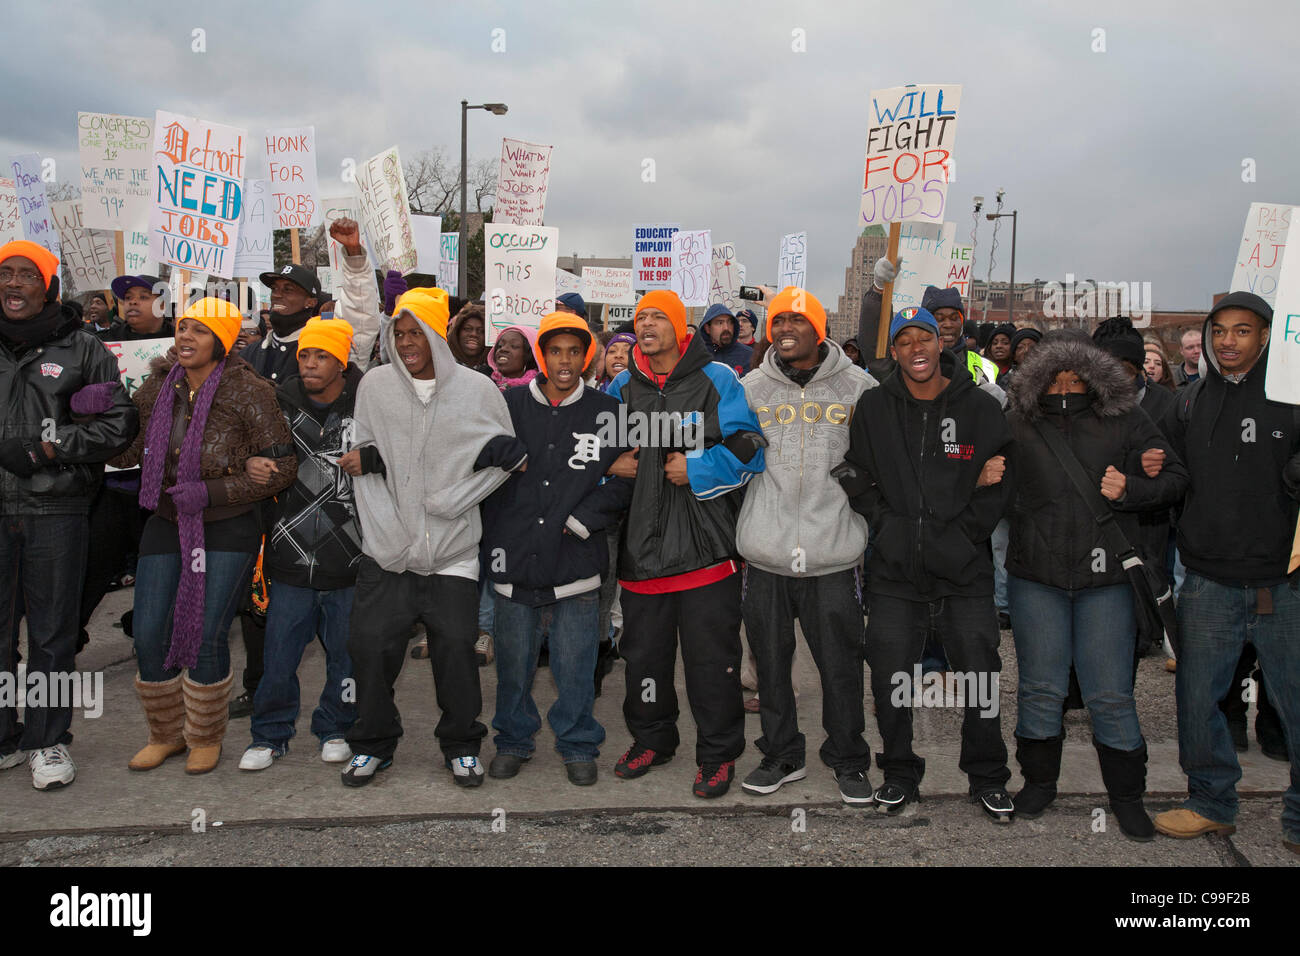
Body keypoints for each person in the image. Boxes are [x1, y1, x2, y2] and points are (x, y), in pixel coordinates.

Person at [1005, 331, 1187, 840]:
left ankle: (1127, 798)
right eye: (1052, 373)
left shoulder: (1125, 417)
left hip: (1106, 580)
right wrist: (983, 480)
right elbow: (984, 488)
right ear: (1037, 377)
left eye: (1073, 373)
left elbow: (1174, 479)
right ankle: (1039, 784)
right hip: (1035, 579)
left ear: (1091, 374)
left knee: (1110, 695)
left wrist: (1133, 488)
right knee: (1040, 688)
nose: (1064, 382)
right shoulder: (1017, 423)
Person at [838, 306, 1015, 821]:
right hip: (895, 573)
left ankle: (987, 776)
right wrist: (888, 530)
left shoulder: (980, 407)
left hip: (964, 575)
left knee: (980, 675)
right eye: (905, 340)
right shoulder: (874, 406)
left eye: (925, 338)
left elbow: (1001, 481)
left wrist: (961, 536)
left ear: (942, 346)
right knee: (891, 676)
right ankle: (898, 771)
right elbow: (856, 474)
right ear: (893, 351)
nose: (916, 348)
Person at [341, 288, 522, 788]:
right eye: (399, 334)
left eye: (416, 332)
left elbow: (509, 461)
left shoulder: (478, 390)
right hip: (388, 551)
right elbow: (360, 460)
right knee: (371, 650)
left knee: (456, 654)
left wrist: (455, 501)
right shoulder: (375, 387)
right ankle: (373, 744)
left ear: (437, 334)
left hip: (453, 553)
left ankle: (462, 745)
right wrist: (387, 535)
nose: (406, 342)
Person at [112, 297, 295, 775]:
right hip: (166, 520)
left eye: (199, 330)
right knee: (150, 632)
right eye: (183, 327)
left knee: (206, 633)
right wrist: (100, 415)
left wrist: (211, 491)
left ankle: (206, 736)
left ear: (222, 340)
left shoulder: (249, 391)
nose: (186, 337)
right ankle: (165, 735)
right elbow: (130, 451)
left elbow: (282, 467)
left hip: (227, 524)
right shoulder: (157, 387)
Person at [1153, 292, 1300, 853]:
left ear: (1266, 337)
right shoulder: (1187, 403)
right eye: (1220, 331)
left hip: (1284, 582)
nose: (1228, 342)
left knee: (1295, 703)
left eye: (1242, 331)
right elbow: (1171, 478)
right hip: (1208, 580)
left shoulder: (1292, 400)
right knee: (1197, 699)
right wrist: (1147, 472)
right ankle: (1211, 803)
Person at [606, 290, 766, 797]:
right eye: (640, 317)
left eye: (657, 317)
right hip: (641, 554)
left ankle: (718, 754)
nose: (646, 324)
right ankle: (653, 739)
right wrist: (609, 462)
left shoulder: (718, 379)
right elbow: (593, 447)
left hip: (706, 553)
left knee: (711, 664)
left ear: (680, 328)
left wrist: (697, 468)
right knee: (644, 661)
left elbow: (749, 448)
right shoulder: (620, 386)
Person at [0, 240, 139, 790]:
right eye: (5, 274)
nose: (12, 284)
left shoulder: (85, 350)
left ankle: (47, 740)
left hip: (55, 507)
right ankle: (5, 740)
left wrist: (48, 448)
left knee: (53, 635)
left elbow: (118, 424)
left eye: (25, 276)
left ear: (49, 287)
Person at [736, 288, 877, 802]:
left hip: (832, 554)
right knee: (770, 665)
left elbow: (881, 463)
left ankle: (848, 758)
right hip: (767, 553)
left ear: (818, 328)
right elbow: (731, 462)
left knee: (841, 666)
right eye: (778, 321)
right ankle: (781, 754)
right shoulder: (750, 388)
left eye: (798, 319)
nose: (786, 328)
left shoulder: (859, 386)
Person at [481, 312, 632, 786]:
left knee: (575, 662)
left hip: (576, 559)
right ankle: (512, 739)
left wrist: (583, 520)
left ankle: (577, 742)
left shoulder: (608, 410)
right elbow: (474, 459)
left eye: (574, 351)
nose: (564, 360)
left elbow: (628, 479)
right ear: (540, 356)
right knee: (514, 663)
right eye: (554, 351)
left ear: (587, 356)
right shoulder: (505, 405)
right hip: (515, 555)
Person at [238, 318, 366, 771]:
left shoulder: (368, 405)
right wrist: (250, 461)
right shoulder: (277, 404)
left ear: (343, 362)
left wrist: (374, 460)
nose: (310, 364)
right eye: (305, 355)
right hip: (289, 554)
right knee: (278, 657)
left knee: (347, 657)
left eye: (323, 356)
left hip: (352, 555)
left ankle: (336, 726)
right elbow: (241, 443)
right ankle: (270, 735)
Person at [101, 274, 174, 341]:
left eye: (143, 297)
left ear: (162, 305)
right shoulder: (102, 342)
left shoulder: (180, 340)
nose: (132, 302)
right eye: (128, 297)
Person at [698, 303, 753, 376]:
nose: (726, 328)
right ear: (707, 328)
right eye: (720, 323)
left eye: (730, 322)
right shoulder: (697, 355)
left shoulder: (749, 355)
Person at [487, 324, 539, 391]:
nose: (503, 349)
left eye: (514, 346)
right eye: (500, 345)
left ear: (529, 355)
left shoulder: (537, 392)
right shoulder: (485, 384)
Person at [446, 302, 491, 375]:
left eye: (481, 331)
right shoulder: (441, 365)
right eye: (467, 329)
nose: (474, 334)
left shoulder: (498, 373)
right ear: (457, 333)